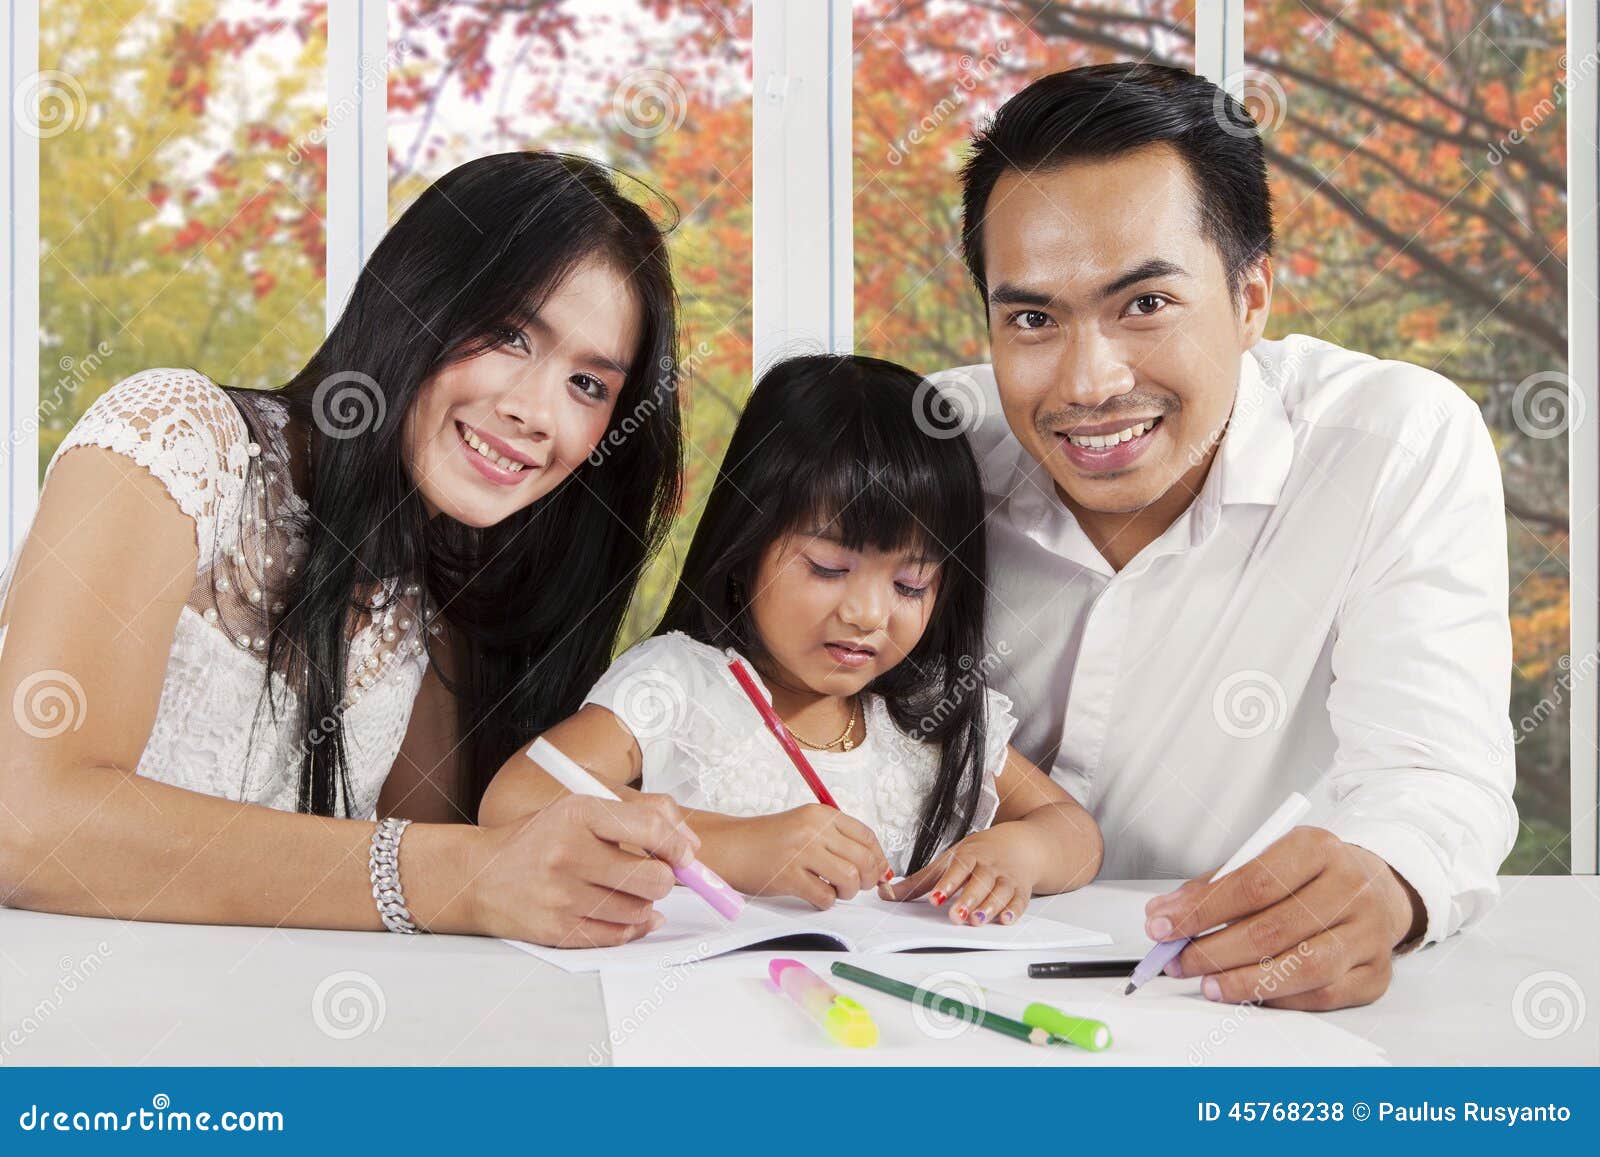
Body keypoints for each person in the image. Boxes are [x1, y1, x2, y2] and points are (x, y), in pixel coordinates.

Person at [0, 151, 700, 949]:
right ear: (416, 297)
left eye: (588, 385)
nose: (536, 412)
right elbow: (29, 819)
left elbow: (450, 879)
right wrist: (461, 876)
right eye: (510, 334)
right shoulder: (176, 439)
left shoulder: (436, 592)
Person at [938, 62, 1516, 1008]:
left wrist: (1384, 883)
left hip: (1235, 1007)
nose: (1088, 382)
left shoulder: (1393, 442)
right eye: (1033, 318)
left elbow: (1433, 774)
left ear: (1251, 299)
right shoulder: (931, 454)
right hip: (949, 992)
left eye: (1145, 305)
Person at [481, 354, 1103, 925]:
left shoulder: (929, 708)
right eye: (829, 568)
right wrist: (734, 846)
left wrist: (1017, 852)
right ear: (746, 547)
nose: (868, 613)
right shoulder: (683, 683)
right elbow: (516, 798)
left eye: (910, 584)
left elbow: (1075, 833)